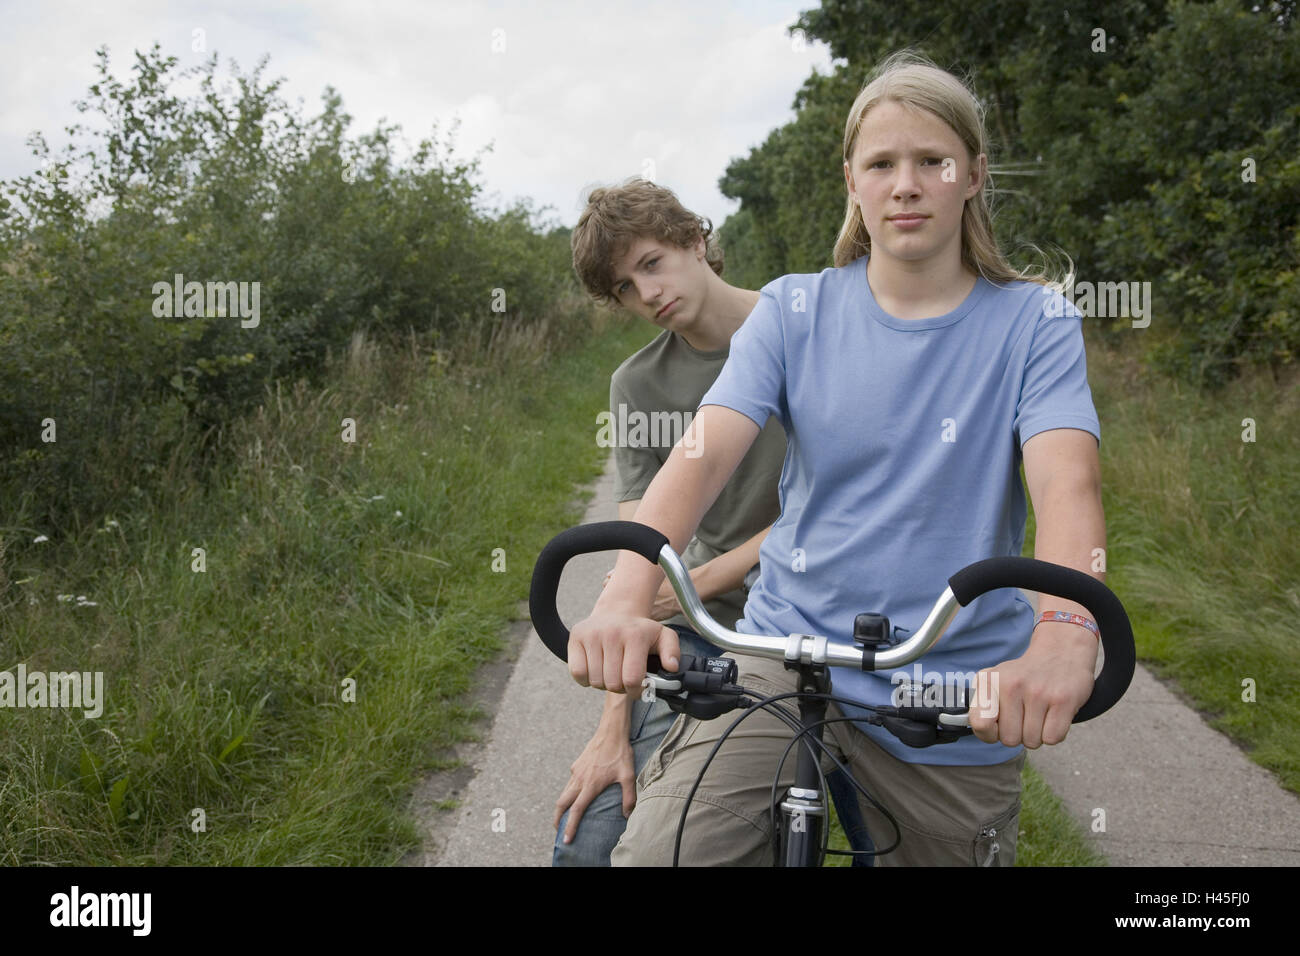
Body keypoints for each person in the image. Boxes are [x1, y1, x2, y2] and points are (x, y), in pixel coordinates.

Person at [568, 50, 1108, 867]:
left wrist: (1067, 630)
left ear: (973, 175)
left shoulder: (1035, 325)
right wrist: (626, 593)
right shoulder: (791, 310)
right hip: (786, 658)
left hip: (949, 687)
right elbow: (702, 455)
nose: (906, 184)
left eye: (933, 161)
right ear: (852, 181)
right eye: (882, 163)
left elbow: (1067, 487)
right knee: (656, 858)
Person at [553, 179, 872, 865]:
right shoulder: (637, 385)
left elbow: (842, 502)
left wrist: (699, 575)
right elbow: (635, 555)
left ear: (695, 241)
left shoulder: (808, 328)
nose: (647, 295)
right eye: (624, 289)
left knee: (884, 831)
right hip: (709, 629)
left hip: (838, 618)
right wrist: (615, 725)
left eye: (651, 264)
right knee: (591, 838)